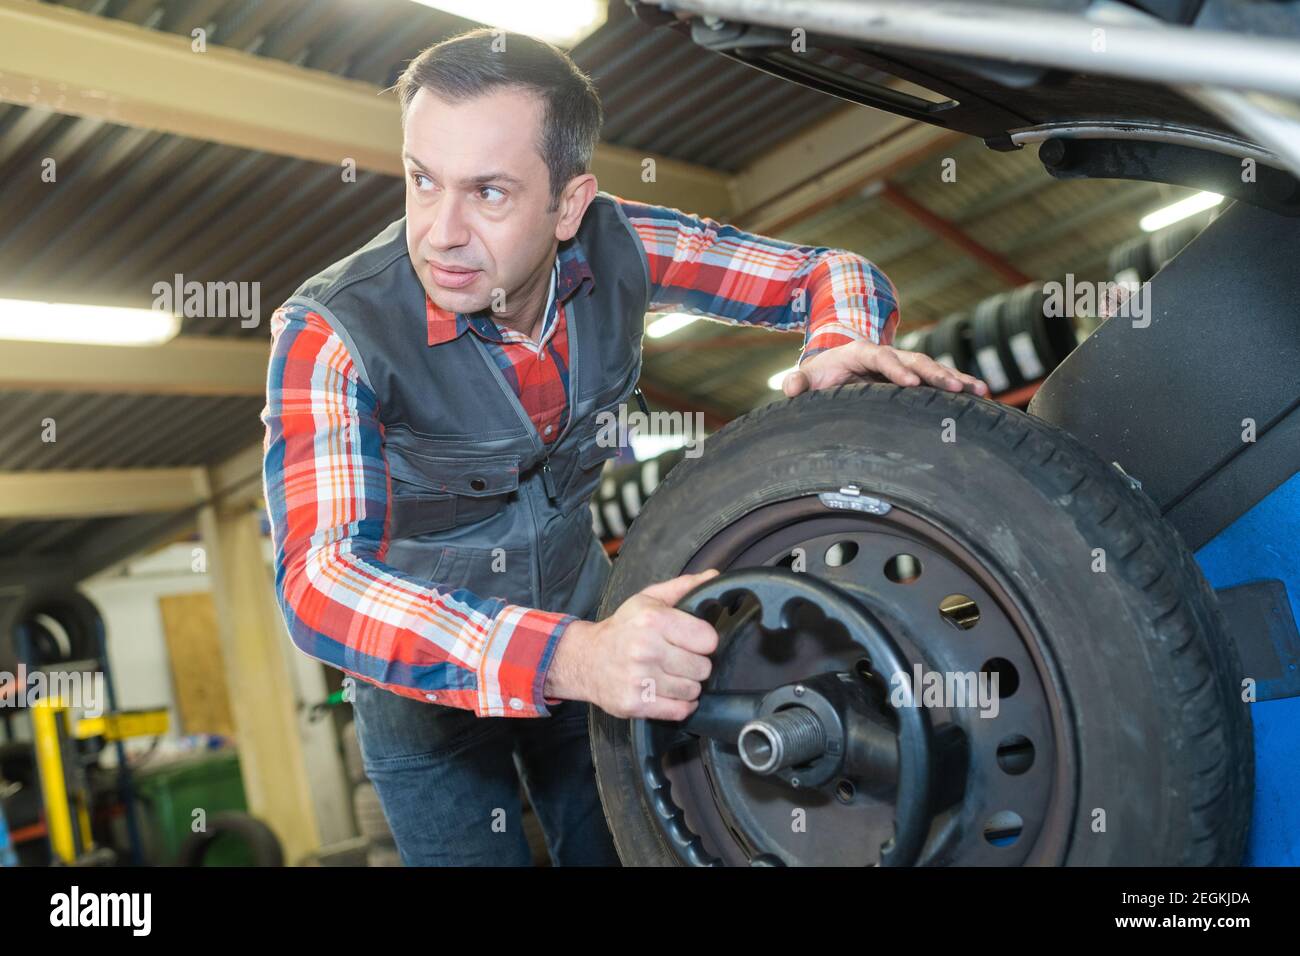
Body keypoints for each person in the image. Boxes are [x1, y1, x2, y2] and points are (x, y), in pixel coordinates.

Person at [260, 28, 987, 867]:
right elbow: (319, 582)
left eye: (489, 193)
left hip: (590, 623)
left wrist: (836, 345)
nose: (440, 234)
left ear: (569, 205)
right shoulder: (333, 335)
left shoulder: (619, 243)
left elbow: (833, 271)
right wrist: (571, 656)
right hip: (422, 690)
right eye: (423, 182)